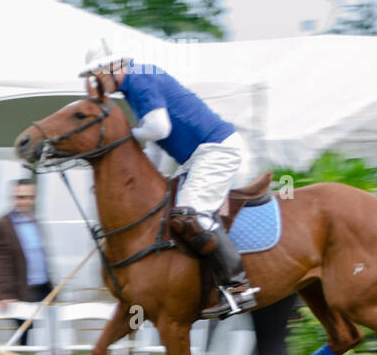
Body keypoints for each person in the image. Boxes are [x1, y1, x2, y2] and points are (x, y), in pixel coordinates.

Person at [79, 39, 257, 319]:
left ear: (113, 67)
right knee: (169, 206)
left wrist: (128, 137)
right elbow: (157, 145)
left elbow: (159, 129)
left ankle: (238, 287)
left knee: (190, 214)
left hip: (216, 150)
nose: (95, 83)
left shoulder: (139, 78)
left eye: (96, 75)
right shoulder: (134, 86)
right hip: (197, 156)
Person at [0, 179, 54, 355]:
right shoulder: (3, 224)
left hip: (44, 288)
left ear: (33, 199)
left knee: (51, 337)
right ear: (13, 198)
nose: (23, 201)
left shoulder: (35, 222)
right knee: (24, 339)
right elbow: (2, 260)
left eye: (27, 197)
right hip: (22, 291)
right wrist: (6, 293)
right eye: (19, 197)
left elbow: (41, 257)